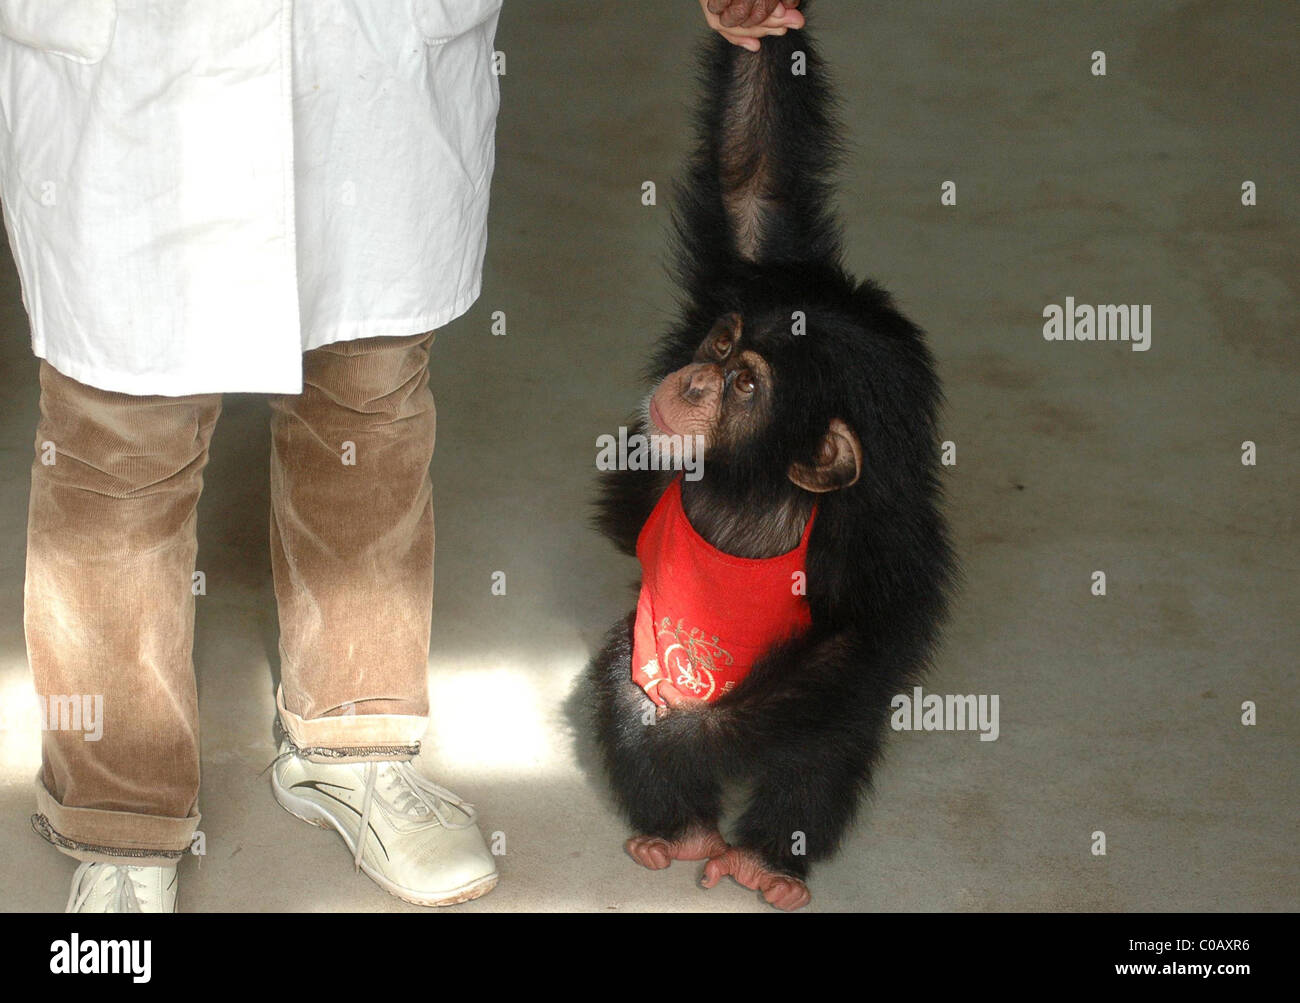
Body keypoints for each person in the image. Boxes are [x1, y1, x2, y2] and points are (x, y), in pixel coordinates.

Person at [0, 0, 801, 913]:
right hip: (132, 67)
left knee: (366, 396)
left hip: (364, 54)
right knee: (118, 433)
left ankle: (353, 746)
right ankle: (120, 814)